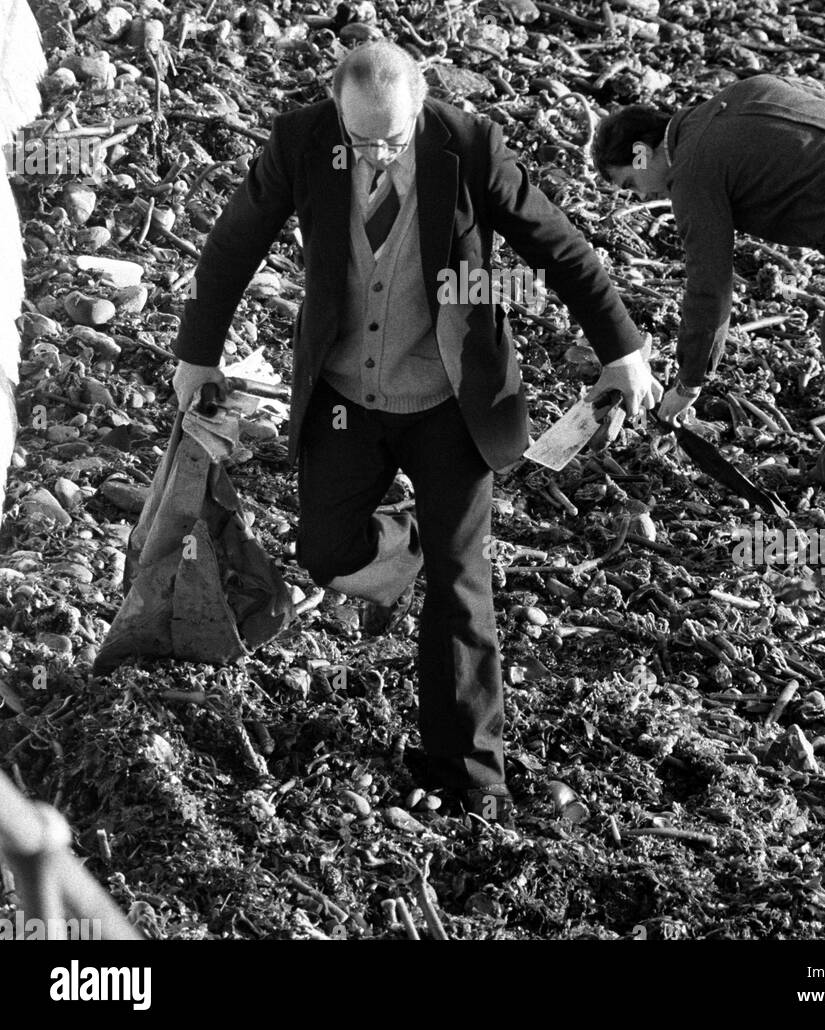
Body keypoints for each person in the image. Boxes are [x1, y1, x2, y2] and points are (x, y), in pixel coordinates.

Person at [172, 41, 658, 823]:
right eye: (361, 141)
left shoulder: (467, 146)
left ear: (421, 106)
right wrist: (197, 355)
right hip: (344, 398)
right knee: (325, 552)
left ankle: (471, 772)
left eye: (392, 141)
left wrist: (622, 351)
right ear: (336, 108)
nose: (377, 155)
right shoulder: (300, 141)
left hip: (450, 406)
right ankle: (408, 544)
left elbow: (556, 246)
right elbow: (234, 243)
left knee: (463, 593)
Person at [591, 72, 825, 598]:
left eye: (627, 183)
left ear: (643, 154)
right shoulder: (735, 98)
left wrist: (689, 381)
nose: (639, 194)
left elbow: (709, 286)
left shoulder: (691, 168)